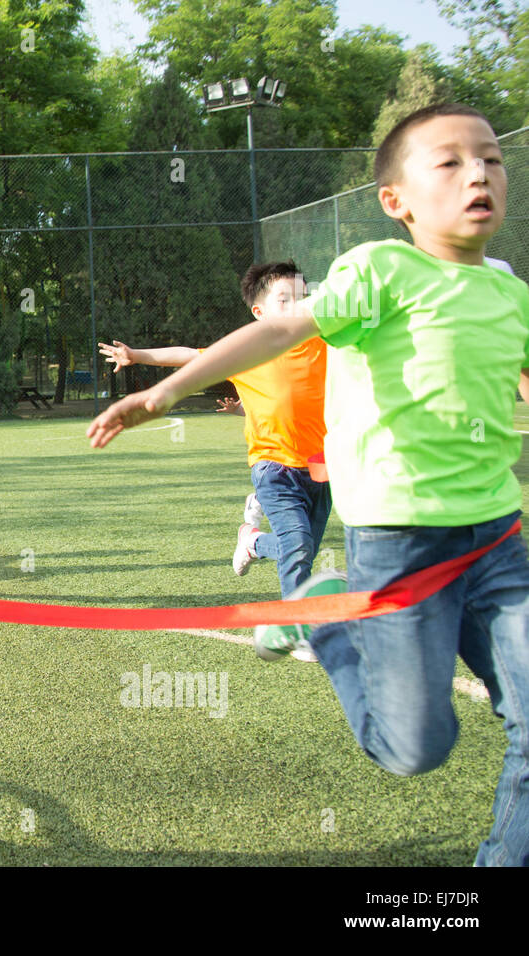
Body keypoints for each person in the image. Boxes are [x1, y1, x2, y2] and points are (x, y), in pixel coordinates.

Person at [89, 104, 529, 866]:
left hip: (499, 540)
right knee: (413, 750)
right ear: (396, 200)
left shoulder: (511, 293)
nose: (479, 173)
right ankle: (319, 611)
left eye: (490, 158)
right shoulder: (379, 272)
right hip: (402, 546)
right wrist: (163, 392)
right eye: (449, 163)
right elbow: (279, 330)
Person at [99, 262, 331, 664]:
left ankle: (253, 542)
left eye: (303, 296)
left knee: (304, 548)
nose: (298, 305)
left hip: (321, 466)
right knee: (298, 544)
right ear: (259, 313)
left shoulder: (327, 342)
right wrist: (136, 355)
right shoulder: (251, 351)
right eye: (285, 299)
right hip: (272, 467)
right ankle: (297, 626)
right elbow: (190, 356)